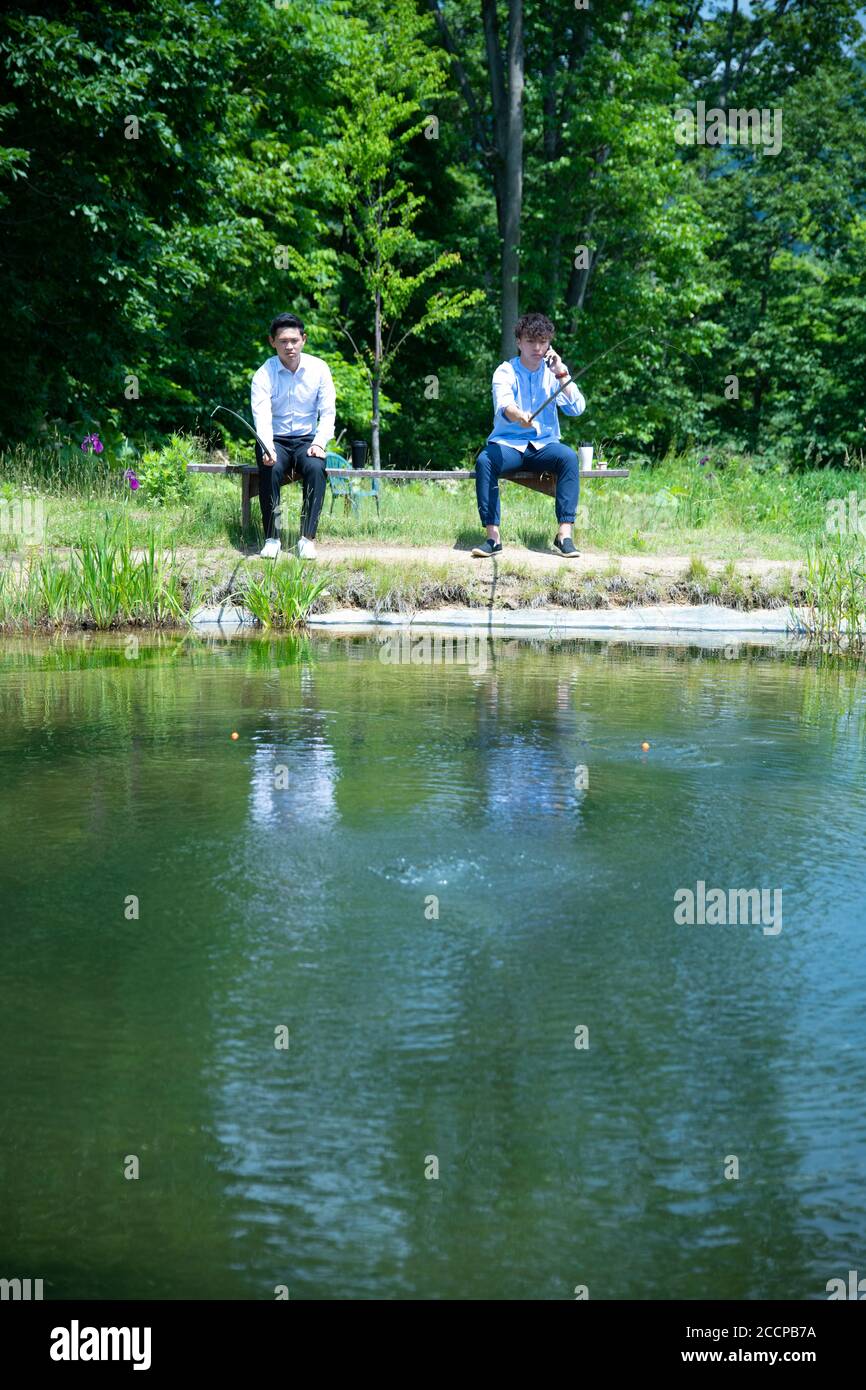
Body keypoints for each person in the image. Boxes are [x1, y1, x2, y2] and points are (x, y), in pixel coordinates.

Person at [473, 312, 585, 558]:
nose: (537, 347)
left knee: (567, 457)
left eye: (543, 342)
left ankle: (564, 535)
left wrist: (561, 372)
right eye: (531, 341)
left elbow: (577, 409)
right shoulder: (505, 371)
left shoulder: (555, 373)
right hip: (508, 445)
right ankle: (493, 538)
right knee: (485, 461)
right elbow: (505, 405)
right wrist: (519, 416)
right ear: (519, 342)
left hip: (543, 445)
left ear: (549, 344)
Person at [250, 312, 336, 560]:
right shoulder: (263, 374)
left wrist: (320, 443)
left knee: (316, 467)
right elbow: (261, 416)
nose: (289, 346)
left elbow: (328, 413)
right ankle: (272, 537)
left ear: (303, 340)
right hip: (274, 438)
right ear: (272, 342)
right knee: (271, 468)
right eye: (283, 341)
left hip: (307, 439)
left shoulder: (319, 369)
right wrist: (267, 447)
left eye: (294, 340)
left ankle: (307, 539)